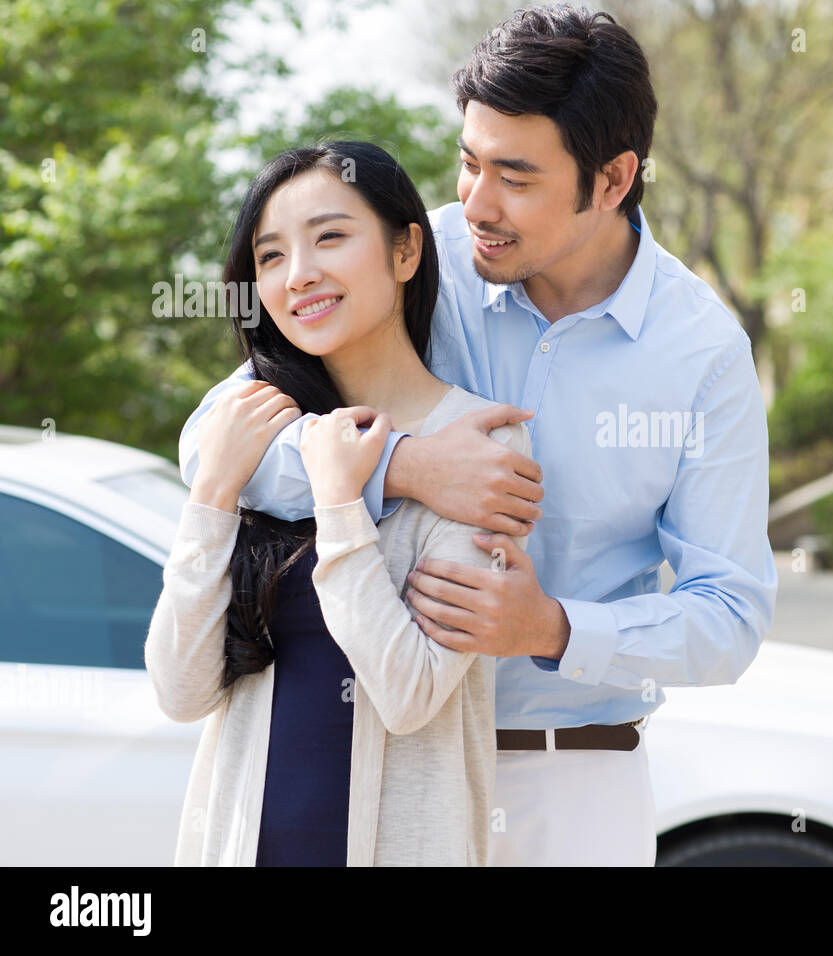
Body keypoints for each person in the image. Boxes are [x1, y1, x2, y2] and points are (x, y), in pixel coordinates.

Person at [177, 4, 777, 866]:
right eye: (469, 162)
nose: (476, 201)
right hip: (381, 765)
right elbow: (214, 445)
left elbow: (731, 617)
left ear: (612, 180)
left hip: (570, 786)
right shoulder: (419, 258)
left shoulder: (703, 355)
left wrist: (552, 628)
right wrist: (404, 467)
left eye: (516, 176)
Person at [146, 141, 529, 866]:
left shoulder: (480, 443)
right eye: (271, 256)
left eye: (330, 237)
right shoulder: (250, 432)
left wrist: (340, 500)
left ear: (406, 250)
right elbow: (180, 691)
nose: (300, 275)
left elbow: (410, 691)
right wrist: (213, 495)